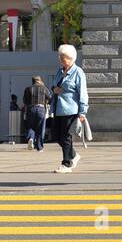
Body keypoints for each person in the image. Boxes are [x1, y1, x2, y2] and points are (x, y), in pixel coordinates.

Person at [50, 44, 88, 174]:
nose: (60, 59)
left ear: (71, 58)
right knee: (57, 136)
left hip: (71, 109)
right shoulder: (59, 71)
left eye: (63, 57)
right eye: (60, 56)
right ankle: (74, 155)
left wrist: (82, 112)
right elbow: (53, 85)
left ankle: (66, 164)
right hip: (58, 108)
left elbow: (83, 93)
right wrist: (54, 89)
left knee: (66, 137)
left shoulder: (78, 73)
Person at [23, 75, 51, 152]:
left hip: (31, 109)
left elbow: (25, 101)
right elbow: (50, 99)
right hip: (41, 109)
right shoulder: (44, 89)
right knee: (40, 128)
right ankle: (39, 147)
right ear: (40, 80)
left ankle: (31, 138)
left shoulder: (28, 89)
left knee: (30, 126)